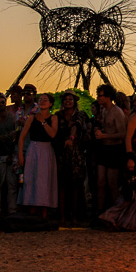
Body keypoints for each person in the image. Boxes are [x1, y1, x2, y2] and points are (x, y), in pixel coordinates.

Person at [100, 92, 136, 231]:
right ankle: (111, 216)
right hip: (135, 157)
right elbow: (128, 138)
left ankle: (133, 221)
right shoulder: (134, 118)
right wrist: (130, 157)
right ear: (135, 103)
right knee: (133, 190)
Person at [18, 93, 58, 217]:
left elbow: (52, 134)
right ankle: (32, 211)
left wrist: (43, 122)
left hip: (46, 150)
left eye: (45, 100)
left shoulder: (53, 118)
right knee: (31, 179)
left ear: (50, 103)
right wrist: (20, 154)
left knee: (44, 181)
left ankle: (44, 212)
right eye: (40, 99)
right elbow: (22, 136)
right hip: (33, 149)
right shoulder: (32, 117)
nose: (42, 101)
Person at [54, 91, 88, 227]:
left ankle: (74, 216)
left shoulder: (80, 115)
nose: (68, 101)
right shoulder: (57, 116)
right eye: (66, 99)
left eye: (70, 99)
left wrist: (71, 138)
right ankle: (62, 216)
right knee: (62, 185)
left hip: (76, 153)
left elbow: (76, 126)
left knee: (75, 186)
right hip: (61, 152)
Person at [93, 84, 126, 214]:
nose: (98, 98)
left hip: (114, 149)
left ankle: (115, 213)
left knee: (112, 183)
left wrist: (104, 135)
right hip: (103, 149)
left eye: (100, 96)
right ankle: (100, 212)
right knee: (100, 182)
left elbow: (122, 134)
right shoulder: (103, 110)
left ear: (108, 97)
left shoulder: (117, 112)